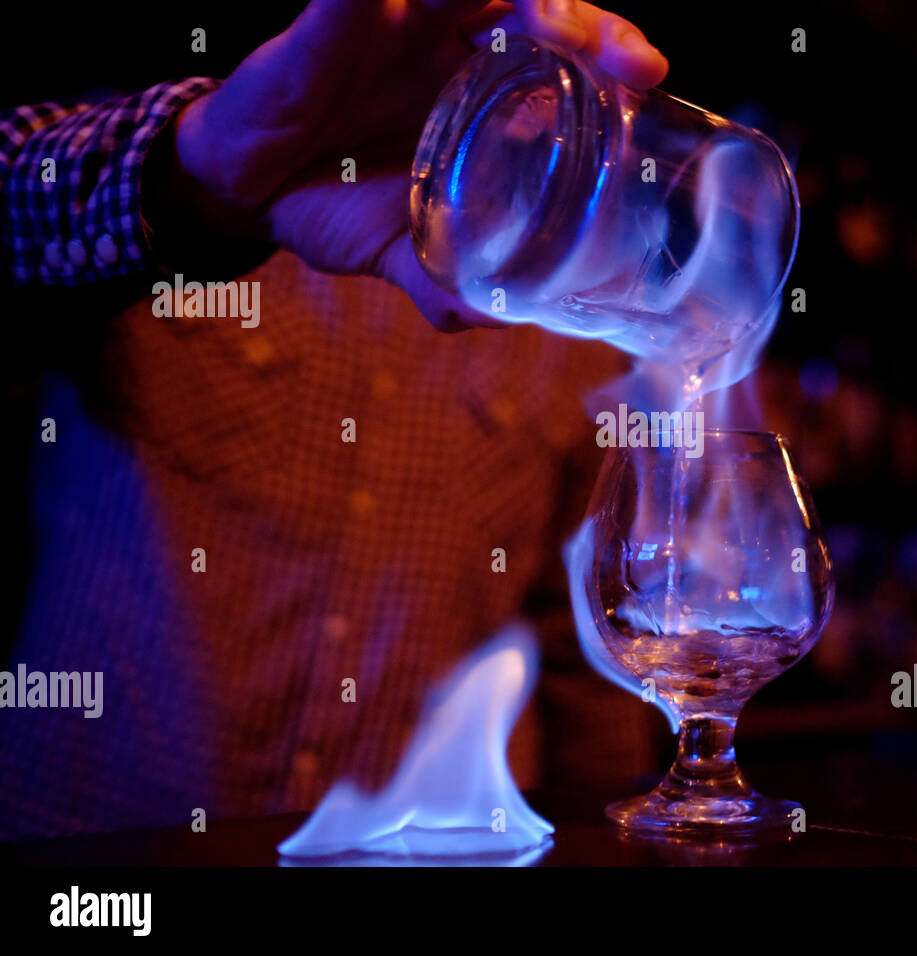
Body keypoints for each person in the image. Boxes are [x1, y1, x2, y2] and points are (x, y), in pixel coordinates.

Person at [0, 0, 669, 839]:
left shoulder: (569, 308)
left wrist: (606, 840)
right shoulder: (201, 168)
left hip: (430, 854)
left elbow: (578, 640)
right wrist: (202, 177)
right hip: (99, 843)